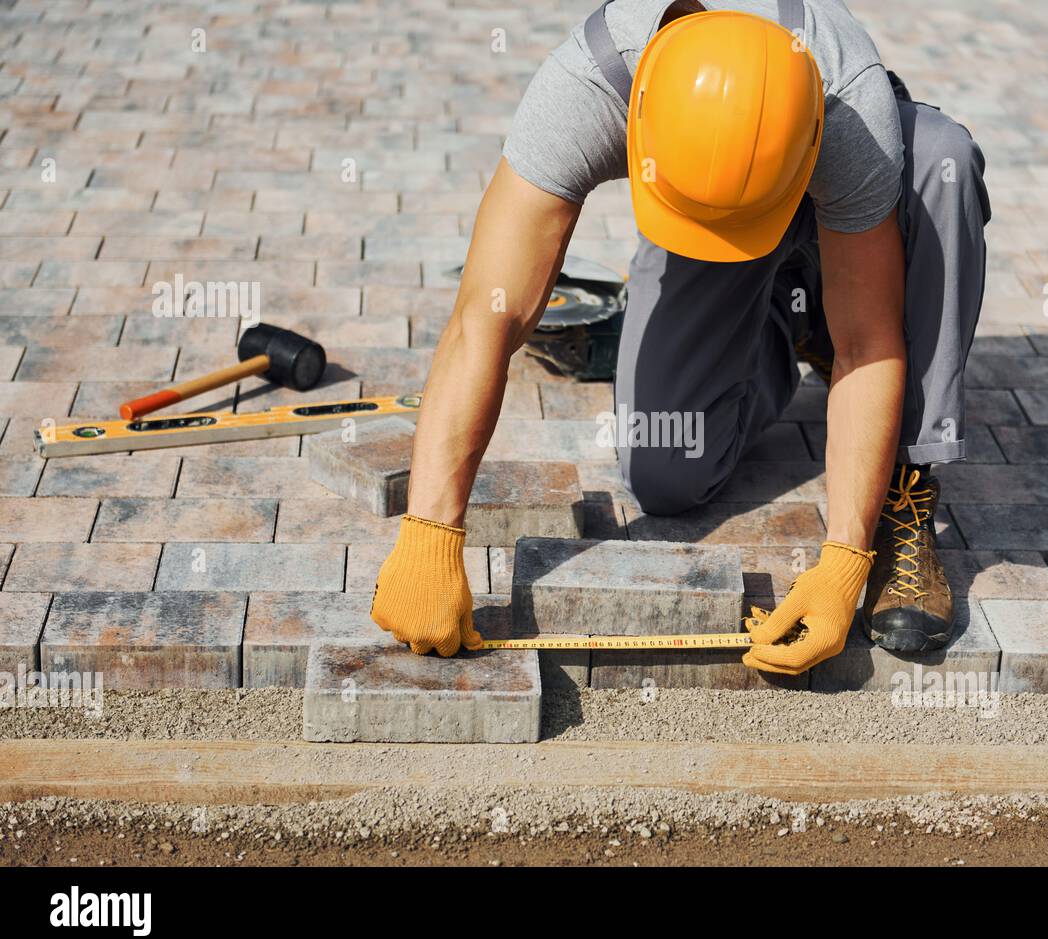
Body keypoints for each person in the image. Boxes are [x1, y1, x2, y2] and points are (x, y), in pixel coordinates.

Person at [371, 0, 991, 675]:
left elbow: (869, 343)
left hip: (826, 184)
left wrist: (844, 561)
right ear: (638, 122)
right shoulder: (588, 84)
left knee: (939, 160)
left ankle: (905, 472)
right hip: (715, 199)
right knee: (666, 466)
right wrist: (430, 530)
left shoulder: (844, 104)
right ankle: (794, 321)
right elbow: (487, 314)